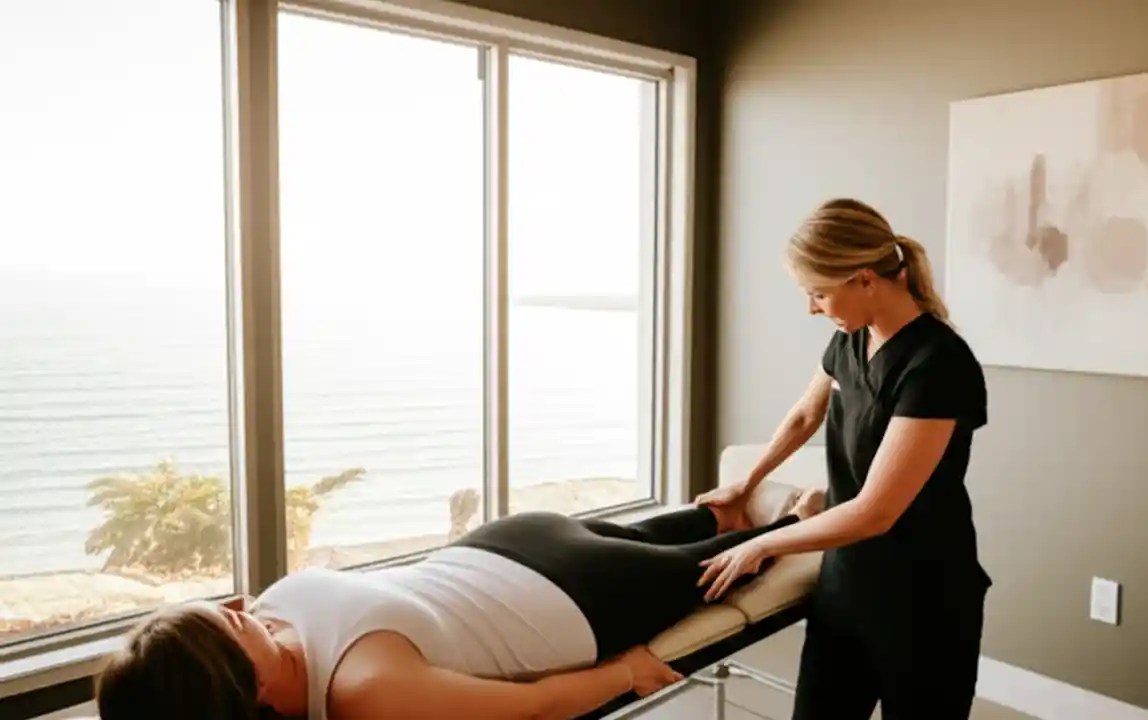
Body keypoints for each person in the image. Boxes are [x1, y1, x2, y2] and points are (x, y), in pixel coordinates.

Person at [94, 489, 827, 720]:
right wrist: (627, 671)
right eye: (229, 619)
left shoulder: (277, 623)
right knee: (708, 565)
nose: (240, 600)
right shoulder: (364, 691)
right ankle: (793, 523)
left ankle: (720, 508)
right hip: (578, 596)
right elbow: (532, 709)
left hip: (510, 546)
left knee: (653, 538)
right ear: (244, 686)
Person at [695, 198, 991, 719]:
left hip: (925, 600)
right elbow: (804, 417)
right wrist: (746, 484)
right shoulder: (849, 340)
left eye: (819, 293)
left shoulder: (937, 366)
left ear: (864, 280)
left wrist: (762, 544)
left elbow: (876, 511)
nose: (812, 307)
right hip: (847, 584)